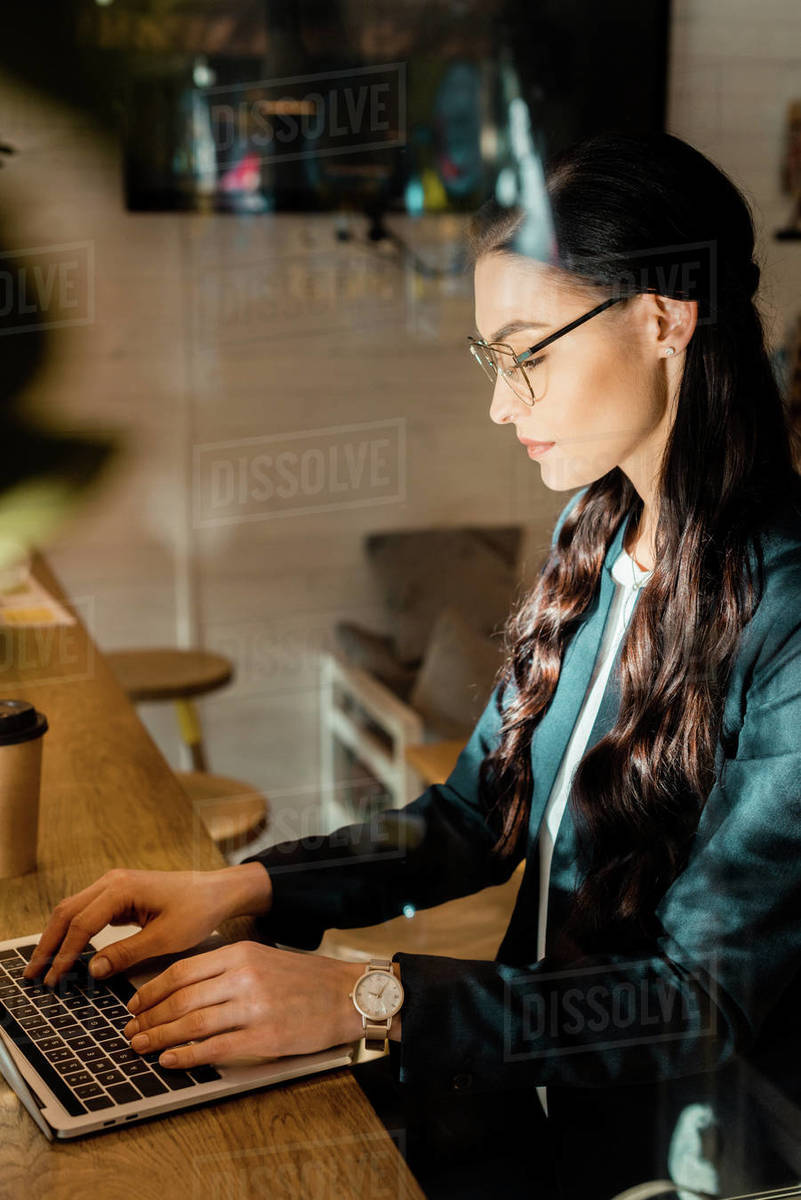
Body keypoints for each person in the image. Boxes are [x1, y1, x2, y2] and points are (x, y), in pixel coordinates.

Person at [23, 129, 801, 1198]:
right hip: (543, 1094)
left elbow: (696, 998)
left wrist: (364, 997)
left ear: (664, 317)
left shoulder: (791, 613)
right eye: (493, 358)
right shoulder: (602, 525)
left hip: (709, 1158)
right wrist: (246, 885)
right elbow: (472, 817)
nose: (500, 403)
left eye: (528, 350)